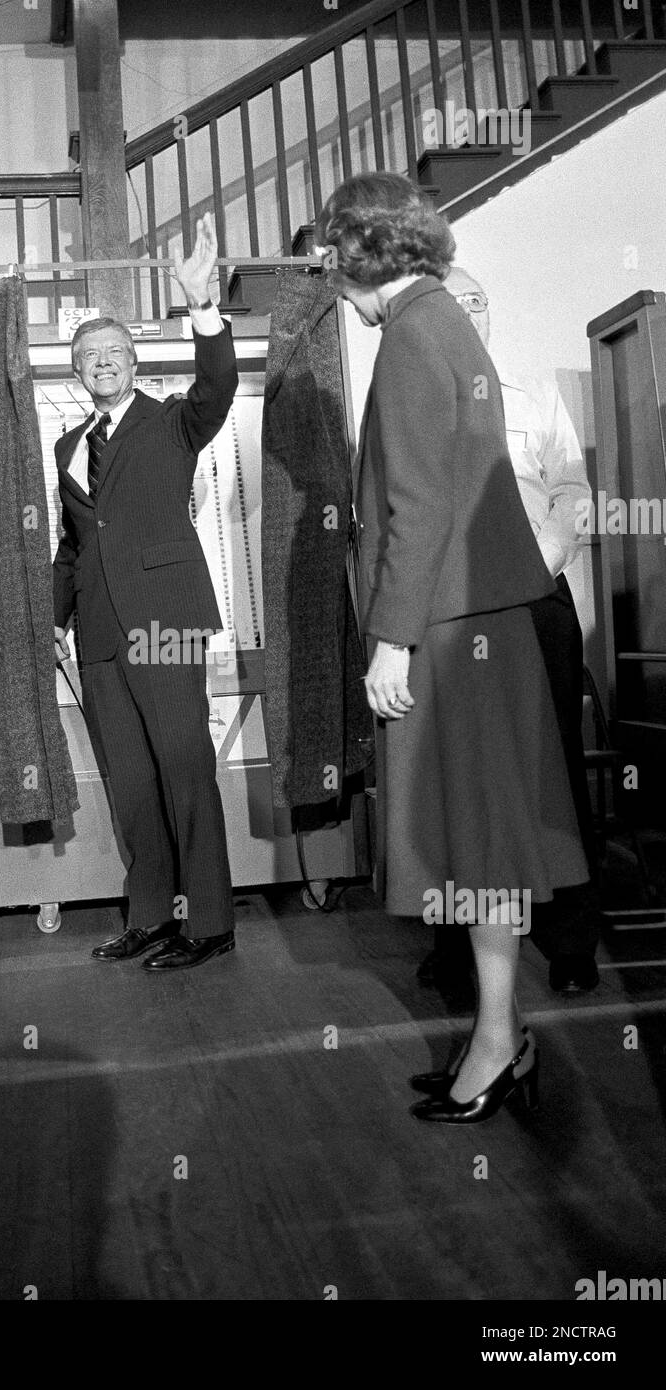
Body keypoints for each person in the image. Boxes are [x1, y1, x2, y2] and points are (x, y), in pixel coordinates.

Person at [315, 173, 589, 1122]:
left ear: (363, 250)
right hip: (474, 625)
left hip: (450, 629)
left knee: (482, 847)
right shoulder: (439, 322)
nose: (326, 275)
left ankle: (498, 1040)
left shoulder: (412, 335)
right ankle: (498, 1035)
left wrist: (388, 642)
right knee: (485, 847)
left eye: (331, 254)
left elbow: (419, 506)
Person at [52, 214, 238, 972]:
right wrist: (53, 621)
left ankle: (213, 922)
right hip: (98, 637)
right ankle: (153, 915)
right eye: (89, 356)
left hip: (166, 624)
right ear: (79, 372)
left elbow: (219, 385)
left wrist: (203, 311)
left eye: (114, 353)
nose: (102, 363)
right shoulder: (68, 445)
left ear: (134, 362)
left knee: (185, 769)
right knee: (131, 783)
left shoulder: (172, 422)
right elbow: (72, 544)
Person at [417, 267, 600, 995]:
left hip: (534, 604)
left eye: (477, 302)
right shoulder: (416, 401)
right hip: (455, 616)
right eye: (451, 304)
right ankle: (455, 949)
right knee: (458, 779)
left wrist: (537, 566)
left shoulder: (532, 395)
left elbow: (573, 494)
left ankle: (571, 942)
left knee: (552, 770)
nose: (468, 314)